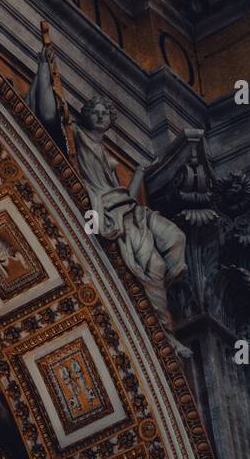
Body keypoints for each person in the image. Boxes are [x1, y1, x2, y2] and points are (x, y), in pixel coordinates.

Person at [29, 48, 191, 357]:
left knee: (176, 238)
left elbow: (127, 197)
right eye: (96, 110)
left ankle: (155, 307)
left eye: (106, 112)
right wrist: (43, 72)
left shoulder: (109, 156)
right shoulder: (75, 132)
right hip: (105, 207)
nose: (101, 115)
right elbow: (48, 115)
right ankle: (163, 333)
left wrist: (139, 173)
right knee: (154, 265)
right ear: (86, 115)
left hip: (125, 209)